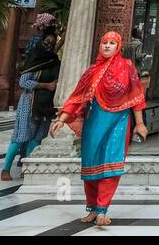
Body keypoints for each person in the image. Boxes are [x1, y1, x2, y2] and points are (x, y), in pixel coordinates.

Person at [49, 31, 147, 226]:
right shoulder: (92, 71)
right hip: (95, 122)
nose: (108, 46)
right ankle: (92, 209)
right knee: (91, 166)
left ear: (118, 47)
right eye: (105, 43)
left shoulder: (127, 67)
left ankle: (102, 210)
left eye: (112, 43)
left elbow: (137, 96)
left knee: (111, 165)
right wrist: (62, 118)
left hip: (119, 122)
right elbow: (77, 97)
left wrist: (140, 123)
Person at [1, 27, 59, 180]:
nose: (49, 45)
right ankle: (5, 169)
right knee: (21, 136)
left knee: (37, 138)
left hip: (46, 104)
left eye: (52, 43)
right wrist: (45, 85)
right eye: (47, 42)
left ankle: (27, 168)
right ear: (41, 41)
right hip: (30, 102)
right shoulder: (34, 58)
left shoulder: (54, 61)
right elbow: (23, 82)